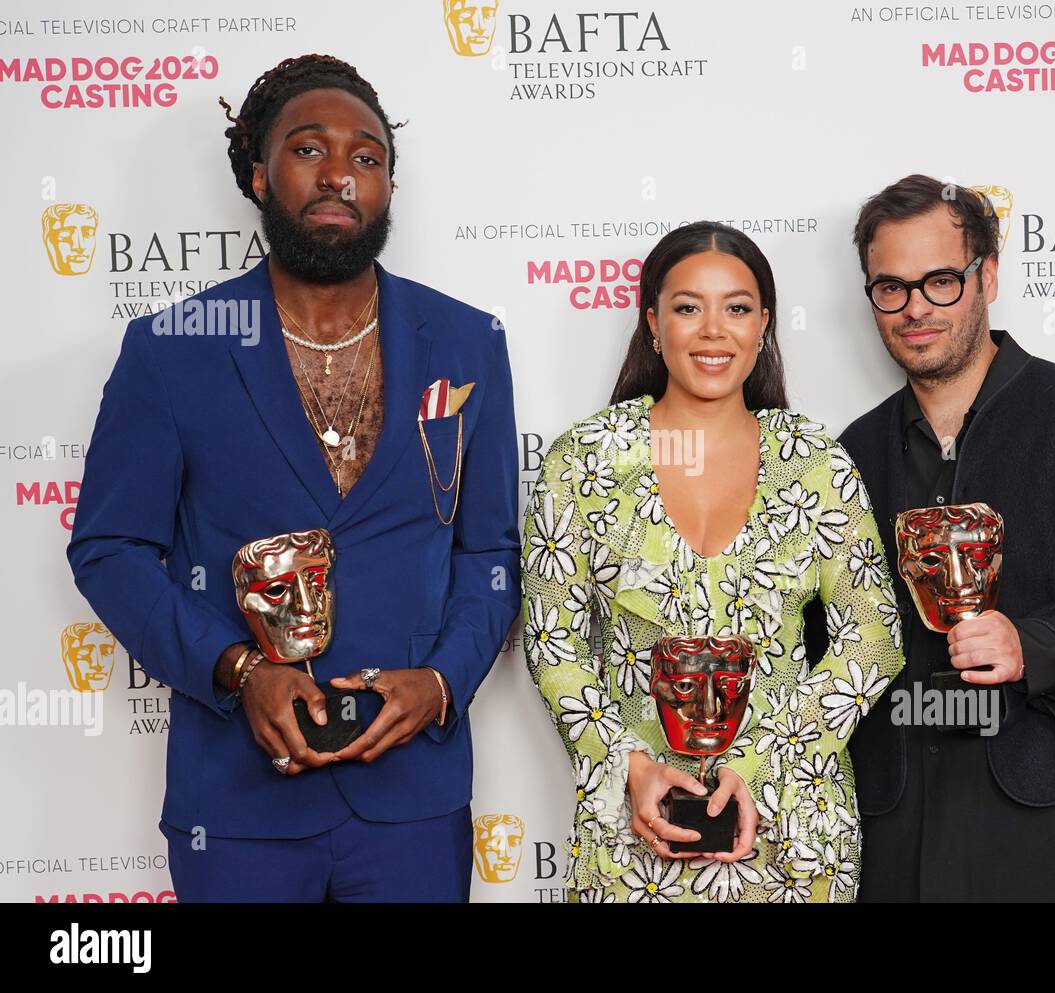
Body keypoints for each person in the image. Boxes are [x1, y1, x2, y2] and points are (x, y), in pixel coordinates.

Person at [66, 54, 520, 902]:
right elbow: (111, 548)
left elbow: (489, 550)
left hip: (413, 803)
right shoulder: (173, 350)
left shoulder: (467, 343)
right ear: (256, 173)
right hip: (238, 804)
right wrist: (237, 669)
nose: (341, 174)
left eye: (368, 156)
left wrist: (442, 680)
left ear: (389, 183)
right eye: (309, 149)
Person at [814, 174, 1055, 901]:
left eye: (939, 281)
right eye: (890, 287)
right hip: (895, 848)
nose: (915, 309)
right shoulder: (851, 455)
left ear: (987, 275)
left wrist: (1036, 644)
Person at [522, 221, 905, 903]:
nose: (712, 330)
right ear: (652, 322)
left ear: (764, 325)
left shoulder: (815, 463)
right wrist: (625, 762)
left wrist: (763, 762)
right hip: (634, 832)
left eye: (736, 307)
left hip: (792, 826)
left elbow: (872, 636)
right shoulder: (582, 461)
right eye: (687, 306)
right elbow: (555, 643)